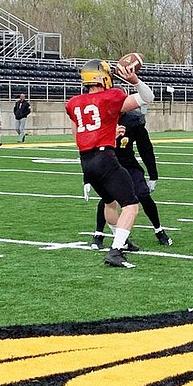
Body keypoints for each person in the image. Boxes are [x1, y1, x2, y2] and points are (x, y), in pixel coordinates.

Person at [65, 58, 154, 268]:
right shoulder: (112, 96)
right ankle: (116, 250)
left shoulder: (73, 103)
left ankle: (120, 240)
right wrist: (134, 80)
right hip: (105, 159)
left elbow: (77, 136)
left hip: (87, 161)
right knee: (131, 205)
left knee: (109, 202)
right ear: (103, 78)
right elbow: (147, 97)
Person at [88, 108, 173, 249]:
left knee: (143, 194)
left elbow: (145, 148)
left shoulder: (133, 120)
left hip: (128, 164)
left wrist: (153, 175)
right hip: (109, 164)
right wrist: (88, 176)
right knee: (108, 198)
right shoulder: (99, 118)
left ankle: (159, 230)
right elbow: (89, 147)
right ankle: (98, 234)